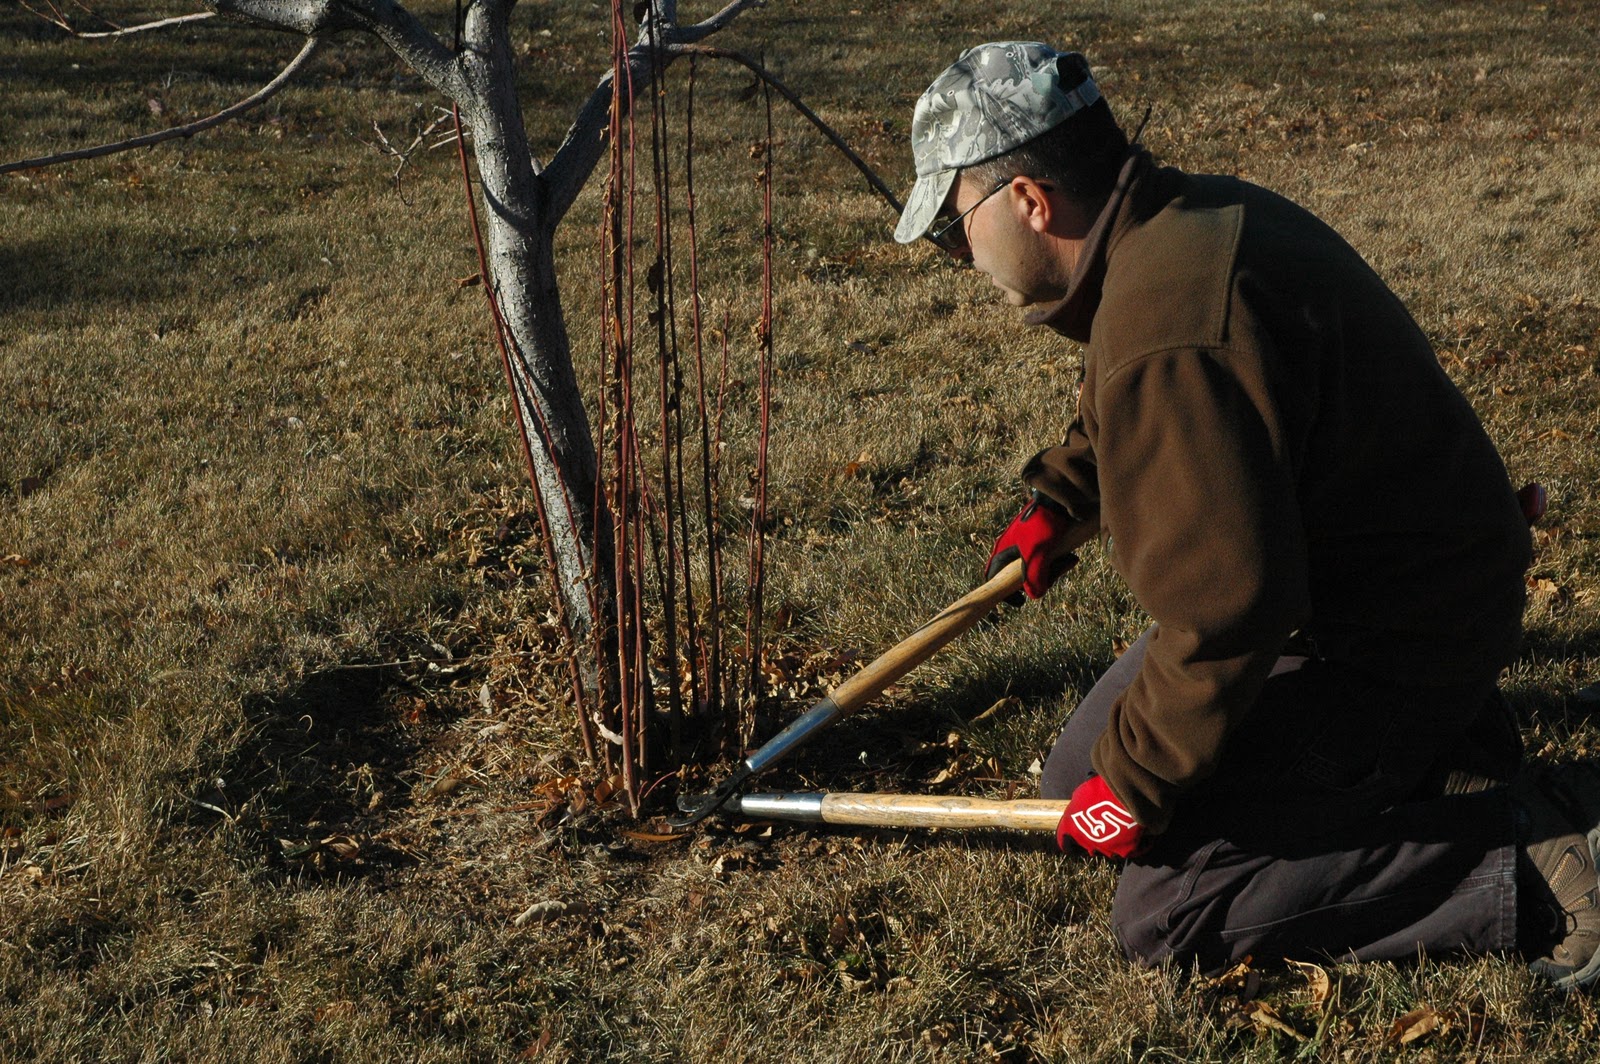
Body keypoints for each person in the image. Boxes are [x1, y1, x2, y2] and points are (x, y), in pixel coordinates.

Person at [893, 41, 1600, 988]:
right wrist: (1060, 501)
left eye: (950, 228)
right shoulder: (1173, 227)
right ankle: (1428, 760)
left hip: (1392, 634)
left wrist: (1141, 789)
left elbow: (1229, 614)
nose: (956, 257)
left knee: (1169, 910)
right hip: (1373, 586)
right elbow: (1149, 409)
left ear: (1028, 199)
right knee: (1071, 785)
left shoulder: (1170, 319)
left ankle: (1541, 861)